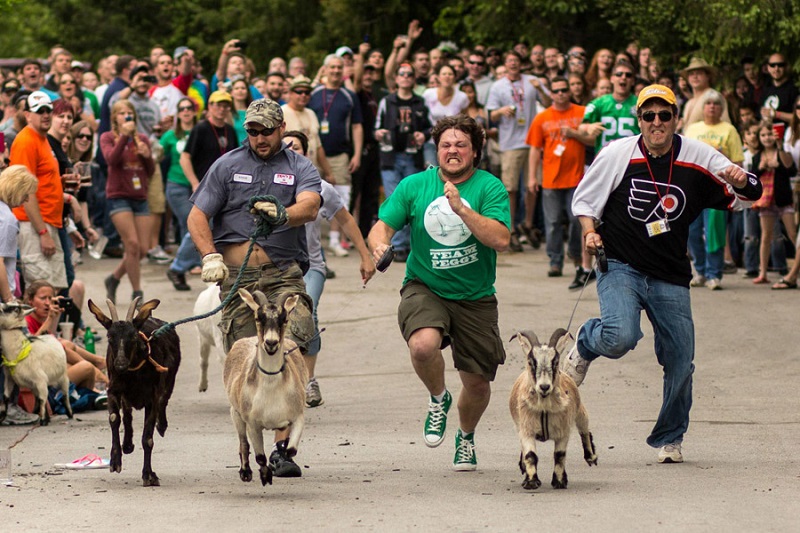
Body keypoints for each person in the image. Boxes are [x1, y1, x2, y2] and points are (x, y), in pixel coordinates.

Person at [566, 85, 762, 464]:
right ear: (639, 120)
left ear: (676, 119)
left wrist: (739, 181)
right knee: (620, 335)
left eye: (664, 115)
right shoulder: (618, 153)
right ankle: (587, 343)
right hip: (620, 262)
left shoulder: (697, 156)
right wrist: (590, 232)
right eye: (648, 116)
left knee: (680, 359)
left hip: (670, 273)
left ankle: (670, 437)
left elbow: (749, 194)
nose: (656, 123)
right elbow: (585, 200)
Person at [367, 114, 511, 471]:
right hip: (425, 286)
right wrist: (379, 246)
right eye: (446, 144)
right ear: (437, 150)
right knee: (422, 345)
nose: (452, 151)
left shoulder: (489, 188)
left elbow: (501, 240)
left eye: (461, 144)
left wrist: (461, 207)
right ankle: (437, 398)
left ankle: (465, 436)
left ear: (475, 151)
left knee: (477, 385)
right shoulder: (415, 185)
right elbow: (381, 227)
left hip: (475, 295)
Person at [187, 98, 322, 477]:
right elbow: (198, 214)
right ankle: (249, 440)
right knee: (244, 354)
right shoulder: (227, 165)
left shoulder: (299, 166)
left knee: (296, 335)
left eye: (266, 130)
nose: (260, 137)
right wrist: (208, 256)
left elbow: (310, 206)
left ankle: (282, 447)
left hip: (282, 273)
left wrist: (283, 214)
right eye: (253, 130)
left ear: (281, 128)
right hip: (237, 275)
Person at [282, 130, 375, 407]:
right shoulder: (268, 183)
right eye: (285, 145)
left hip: (310, 267)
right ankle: (278, 379)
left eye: (295, 146)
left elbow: (346, 220)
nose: (290, 149)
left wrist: (365, 255)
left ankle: (308, 381)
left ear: (306, 153)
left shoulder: (321, 187)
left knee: (307, 316)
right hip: (274, 267)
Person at [166, 90, 238, 291]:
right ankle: (178, 266)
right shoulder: (201, 129)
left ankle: (190, 267)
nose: (222, 109)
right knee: (199, 226)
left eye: (225, 105)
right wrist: (194, 182)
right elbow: (185, 157)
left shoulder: (230, 130)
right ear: (210, 107)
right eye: (218, 104)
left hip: (225, 189)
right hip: (205, 188)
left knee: (218, 228)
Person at [526, 76, 591, 286]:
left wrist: (574, 133)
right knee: (552, 223)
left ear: (569, 91)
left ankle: (575, 253)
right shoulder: (542, 117)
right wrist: (531, 177)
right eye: (557, 91)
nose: (561, 93)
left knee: (575, 220)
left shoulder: (582, 112)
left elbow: (593, 139)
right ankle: (555, 261)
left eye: (564, 90)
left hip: (576, 178)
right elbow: (535, 149)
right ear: (551, 94)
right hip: (551, 179)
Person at [684, 90, 745, 290]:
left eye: (716, 104)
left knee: (715, 233)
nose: (712, 107)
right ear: (703, 108)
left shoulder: (729, 130)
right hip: (692, 189)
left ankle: (714, 274)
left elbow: (737, 161)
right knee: (691, 231)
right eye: (708, 103)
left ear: (721, 108)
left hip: (718, 191)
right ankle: (700, 271)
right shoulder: (692, 130)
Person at [486, 51, 546, 251]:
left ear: (521, 64)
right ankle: (509, 230)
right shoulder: (498, 86)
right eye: (509, 60)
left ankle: (527, 224)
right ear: (505, 64)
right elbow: (491, 116)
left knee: (533, 185)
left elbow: (548, 103)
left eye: (516, 61)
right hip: (510, 143)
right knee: (510, 188)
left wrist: (541, 89)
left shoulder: (532, 81)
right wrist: (500, 111)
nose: (513, 63)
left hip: (532, 142)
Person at [10, 92, 68, 290]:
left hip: (49, 221)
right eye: (39, 111)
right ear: (28, 115)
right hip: (34, 225)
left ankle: (55, 322)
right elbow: (25, 193)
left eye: (48, 111)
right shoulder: (26, 140)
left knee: (57, 287)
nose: (45, 115)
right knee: (41, 289)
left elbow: (41, 181)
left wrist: (61, 184)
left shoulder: (43, 138)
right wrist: (42, 232)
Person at [99, 100, 155, 304]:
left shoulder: (141, 139)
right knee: (131, 244)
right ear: (114, 117)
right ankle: (137, 293)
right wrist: (123, 135)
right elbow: (111, 160)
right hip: (118, 195)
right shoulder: (107, 137)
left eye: (129, 112)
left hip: (140, 196)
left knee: (141, 250)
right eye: (121, 113)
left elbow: (150, 171)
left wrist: (147, 157)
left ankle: (113, 278)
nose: (126, 116)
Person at [375, 63, 432, 262]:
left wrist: (422, 135)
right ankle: (397, 246)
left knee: (413, 201)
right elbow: (376, 129)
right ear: (396, 79)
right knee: (394, 199)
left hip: (412, 155)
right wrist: (380, 133)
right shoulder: (387, 101)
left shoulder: (420, 102)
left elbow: (430, 128)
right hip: (390, 156)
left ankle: (410, 244)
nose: (406, 77)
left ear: (414, 79)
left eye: (410, 74)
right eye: (402, 74)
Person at [308, 54, 363, 258]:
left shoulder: (349, 96)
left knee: (340, 197)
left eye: (339, 68)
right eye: (332, 67)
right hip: (314, 153)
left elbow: (357, 126)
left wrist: (356, 154)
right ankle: (311, 242)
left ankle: (335, 240)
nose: (336, 71)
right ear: (325, 69)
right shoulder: (314, 93)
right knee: (310, 195)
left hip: (341, 154)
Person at [749, 119, 796, 284]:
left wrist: (778, 162)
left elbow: (791, 170)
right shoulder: (757, 156)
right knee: (766, 236)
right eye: (763, 135)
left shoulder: (782, 152)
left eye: (770, 134)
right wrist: (761, 167)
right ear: (759, 138)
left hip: (783, 200)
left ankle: (795, 268)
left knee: (792, 234)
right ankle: (763, 273)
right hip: (765, 201)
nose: (767, 138)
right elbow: (752, 176)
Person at [162, 97, 198, 291]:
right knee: (192, 223)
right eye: (182, 108)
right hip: (175, 184)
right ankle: (182, 265)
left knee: (191, 225)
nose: (185, 111)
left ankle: (182, 267)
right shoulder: (169, 135)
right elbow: (157, 154)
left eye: (189, 108)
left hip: (198, 185)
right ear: (178, 113)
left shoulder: (199, 132)